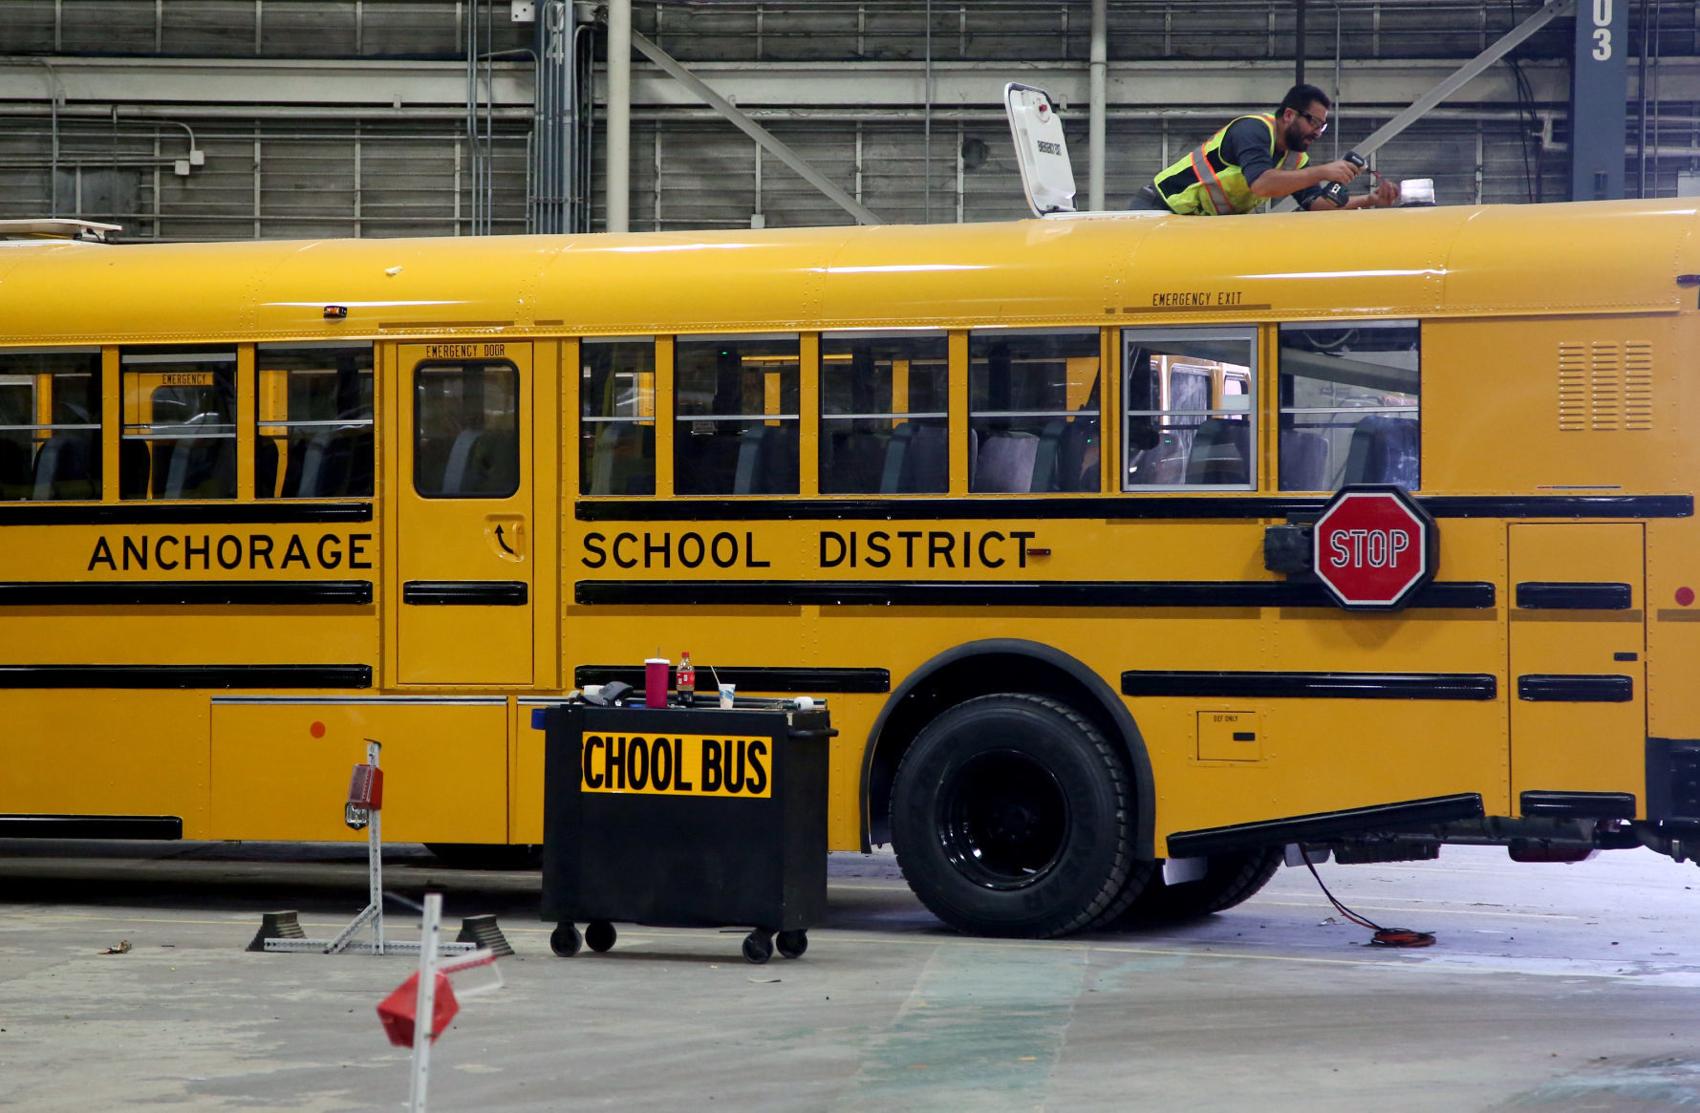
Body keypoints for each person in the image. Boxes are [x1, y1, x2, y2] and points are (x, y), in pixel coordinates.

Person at [1130, 84, 1399, 215]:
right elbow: (1261, 184)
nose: (1318, 132)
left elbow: (1316, 205)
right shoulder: (1253, 130)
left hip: (1195, 223)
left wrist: (1369, 200)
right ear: (1289, 115)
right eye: (1314, 122)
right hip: (1160, 207)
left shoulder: (1295, 160)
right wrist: (1323, 171)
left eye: (1322, 126)